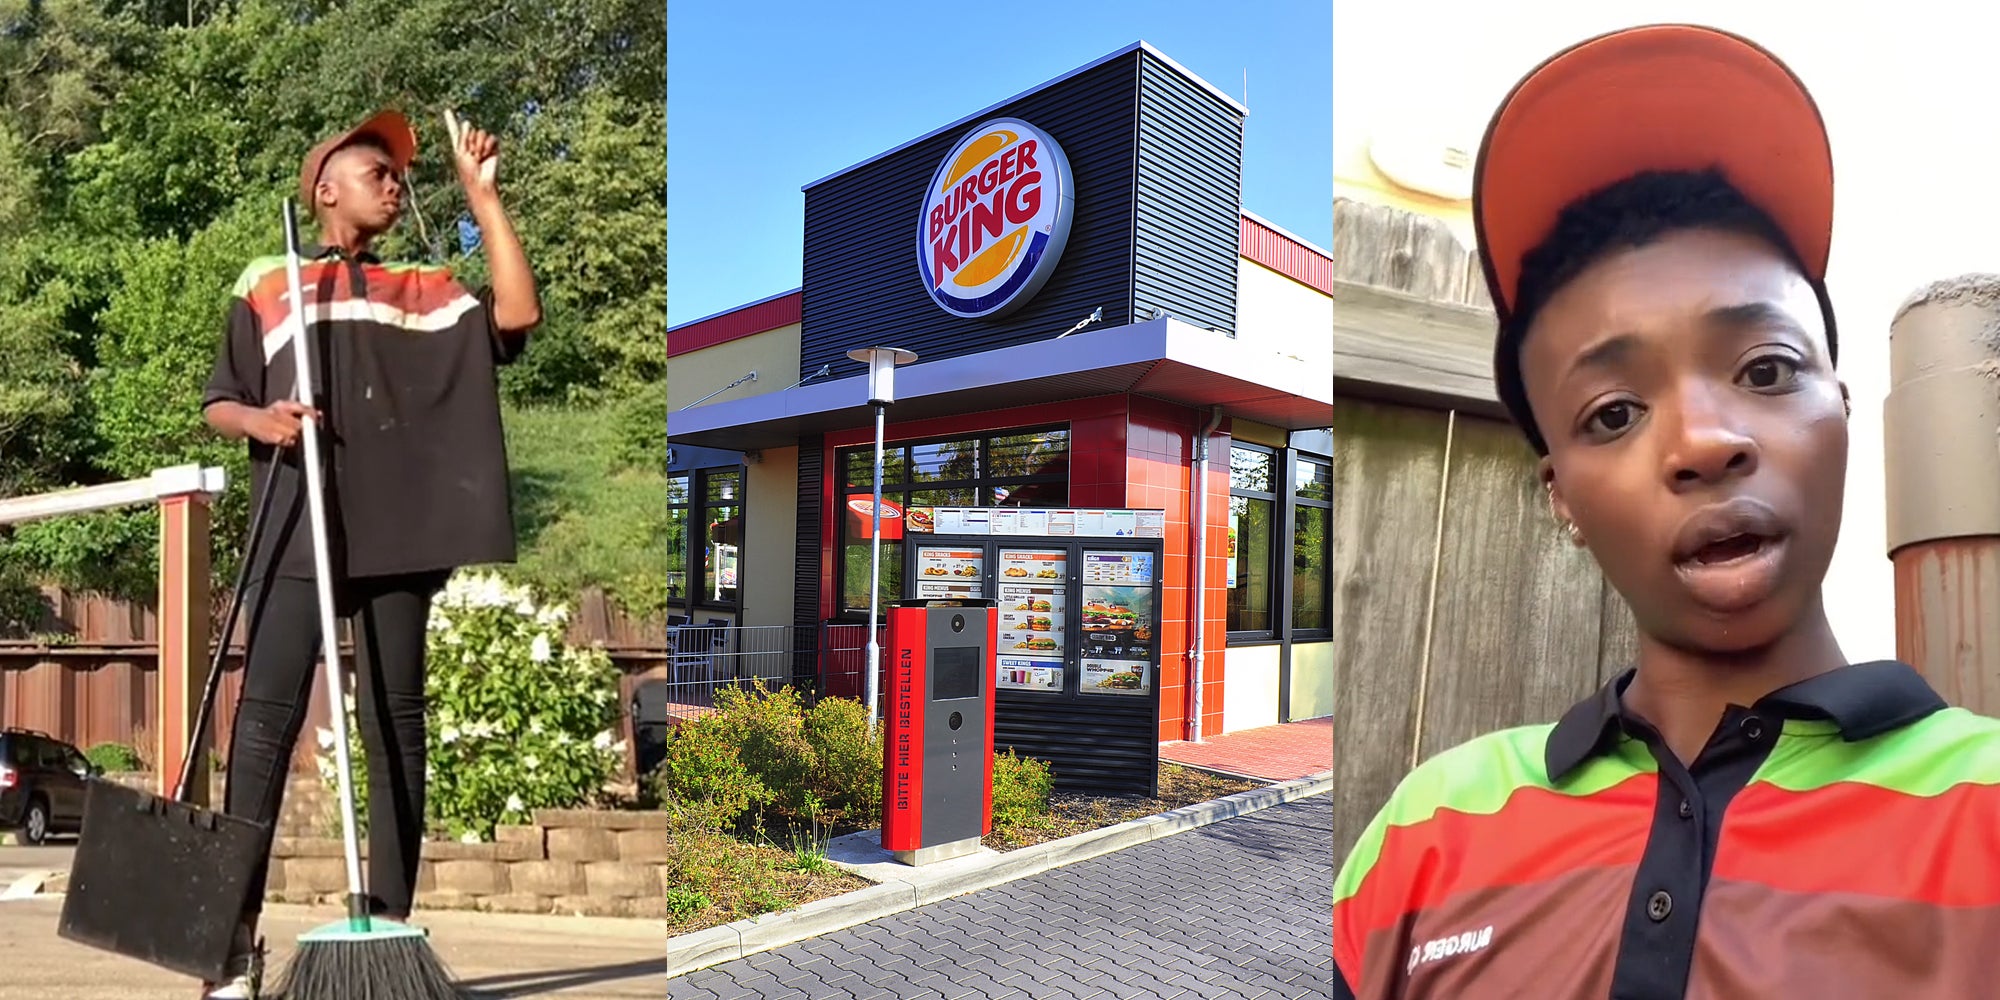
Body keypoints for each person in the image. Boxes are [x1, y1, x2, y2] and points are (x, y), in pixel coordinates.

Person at [1332, 23, 2000, 999]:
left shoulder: (1979, 812)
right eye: (1611, 413)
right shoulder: (1422, 836)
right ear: (1560, 498)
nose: (1700, 442)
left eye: (1763, 370)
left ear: (1842, 416)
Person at [197, 108, 540, 999]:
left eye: (400, 175)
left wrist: (482, 196)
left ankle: (386, 928)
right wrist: (263, 421)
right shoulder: (271, 281)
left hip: (399, 530)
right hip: (296, 519)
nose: (394, 183)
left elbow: (517, 314)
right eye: (375, 171)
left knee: (396, 725)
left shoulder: (425, 284)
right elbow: (220, 400)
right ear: (324, 190)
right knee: (264, 724)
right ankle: (232, 946)